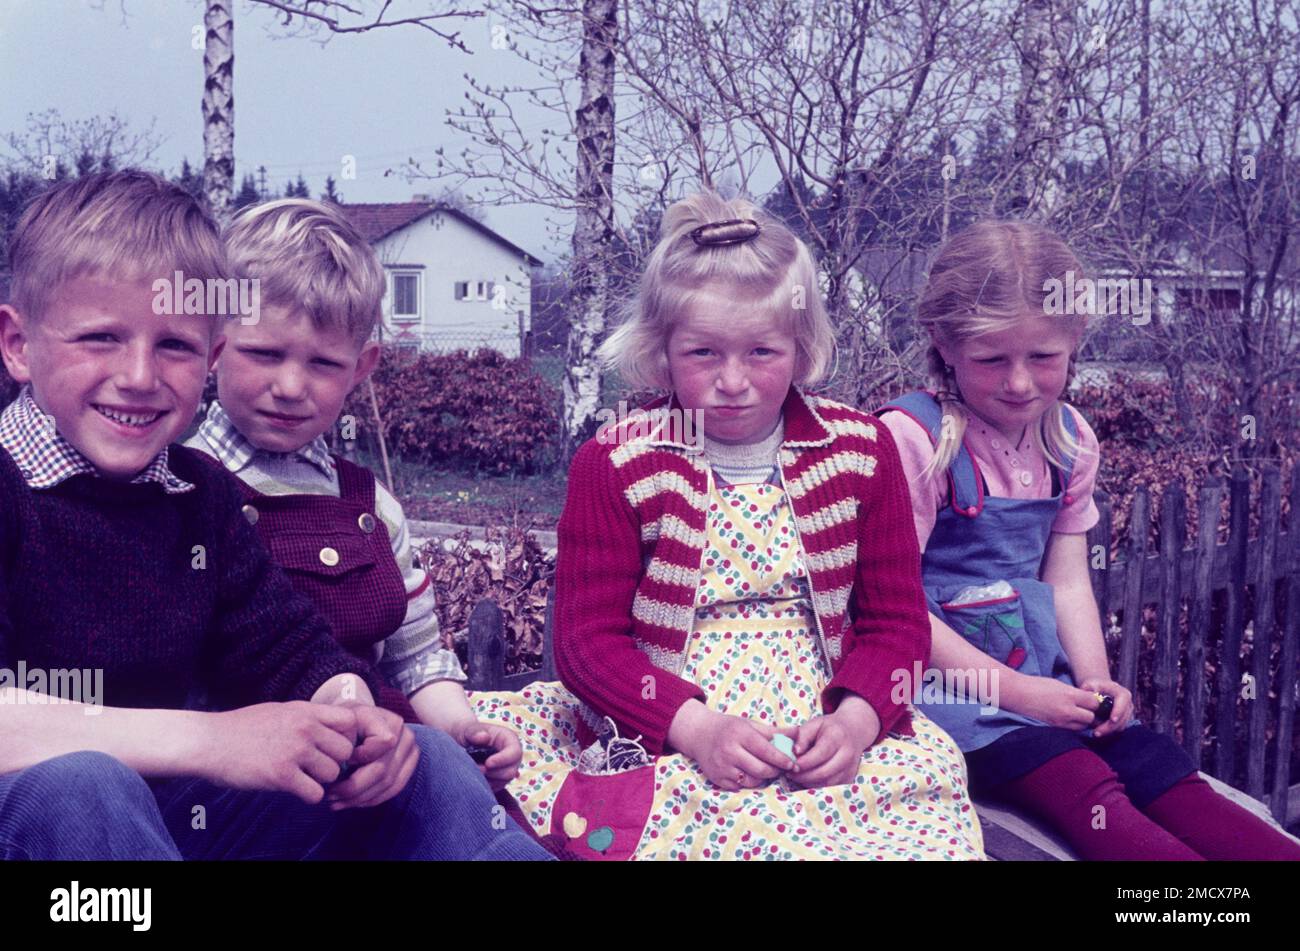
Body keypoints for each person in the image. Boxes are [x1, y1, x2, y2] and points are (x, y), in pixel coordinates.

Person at [0, 170, 549, 861]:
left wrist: (351, 711)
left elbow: (288, 647)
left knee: (425, 760)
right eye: (101, 338)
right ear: (18, 345)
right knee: (81, 786)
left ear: (208, 353)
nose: (139, 375)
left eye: (173, 345)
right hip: (44, 834)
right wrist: (215, 741)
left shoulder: (198, 495)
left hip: (175, 822)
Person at [468, 191, 984, 860]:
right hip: (675, 721)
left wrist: (857, 722)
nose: (732, 381)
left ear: (801, 348)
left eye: (762, 352)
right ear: (661, 350)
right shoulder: (619, 460)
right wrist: (693, 728)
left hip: (821, 716)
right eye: (704, 353)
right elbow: (586, 643)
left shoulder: (860, 450)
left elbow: (898, 626)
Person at [877, 218, 1300, 860]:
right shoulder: (916, 440)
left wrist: (1096, 682)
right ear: (943, 342)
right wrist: (1024, 696)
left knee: (1160, 768)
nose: (1020, 383)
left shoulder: (1068, 440)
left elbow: (1068, 579)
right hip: (944, 699)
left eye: (1043, 357)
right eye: (992, 359)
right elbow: (895, 604)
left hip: (1047, 685)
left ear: (1075, 339)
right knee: (1082, 785)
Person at [185, 198, 523, 793]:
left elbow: (416, 658)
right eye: (263, 353)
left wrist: (463, 726)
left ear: (361, 366)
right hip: (239, 783)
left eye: (323, 363)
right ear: (214, 343)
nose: (290, 387)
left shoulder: (374, 508)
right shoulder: (178, 487)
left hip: (374, 762)